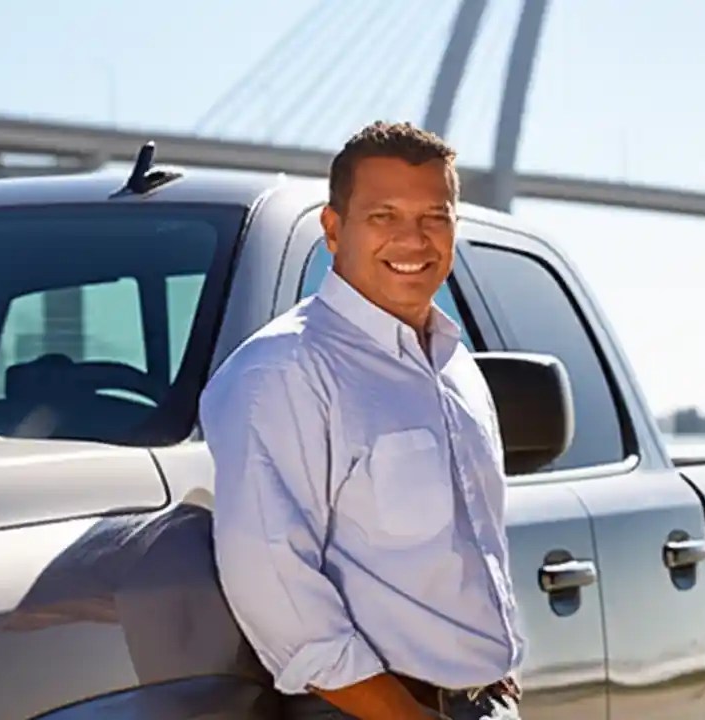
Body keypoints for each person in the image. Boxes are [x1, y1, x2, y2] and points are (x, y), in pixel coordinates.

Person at [199, 121, 524, 720]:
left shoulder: (456, 366)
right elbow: (273, 583)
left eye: (435, 216)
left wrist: (493, 680)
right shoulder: (284, 371)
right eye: (384, 216)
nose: (414, 240)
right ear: (332, 227)